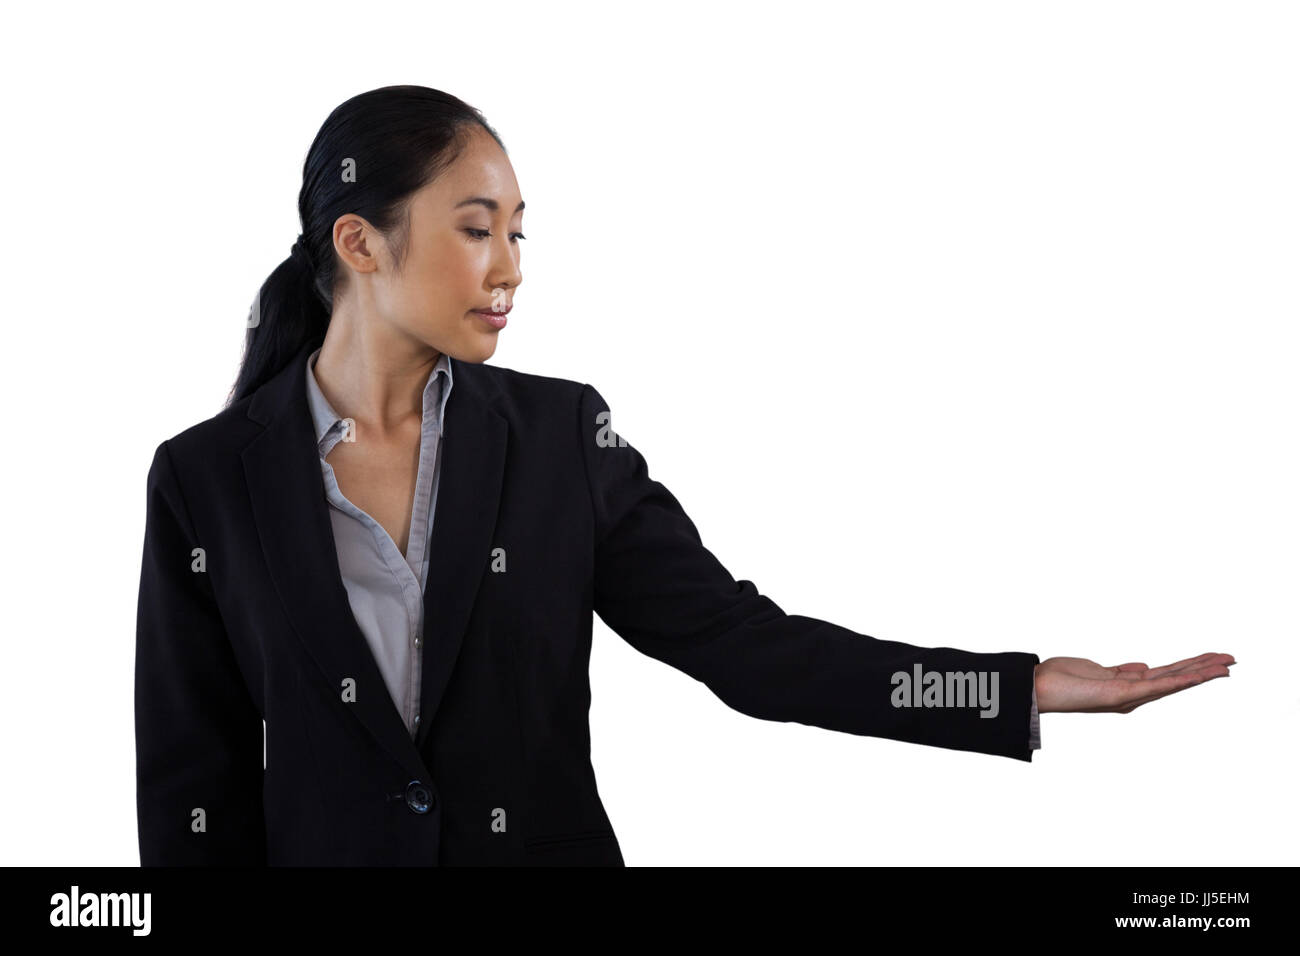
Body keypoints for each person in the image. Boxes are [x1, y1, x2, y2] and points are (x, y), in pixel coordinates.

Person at [134, 85, 1235, 867]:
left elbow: (750, 648)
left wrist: (1012, 686)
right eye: (477, 230)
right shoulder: (205, 479)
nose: (511, 267)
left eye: (519, 232)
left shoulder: (563, 434)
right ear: (360, 243)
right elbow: (194, 785)